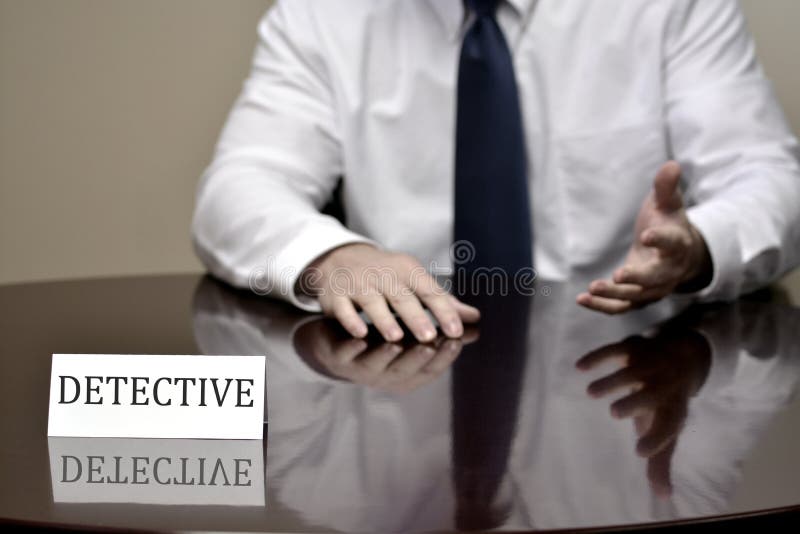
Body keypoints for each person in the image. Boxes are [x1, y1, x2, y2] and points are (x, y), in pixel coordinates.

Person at [192, 0, 800, 342]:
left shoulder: (674, 7)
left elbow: (771, 181)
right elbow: (238, 190)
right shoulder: (320, 18)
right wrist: (336, 259)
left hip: (629, 371)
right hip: (404, 365)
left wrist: (696, 246)